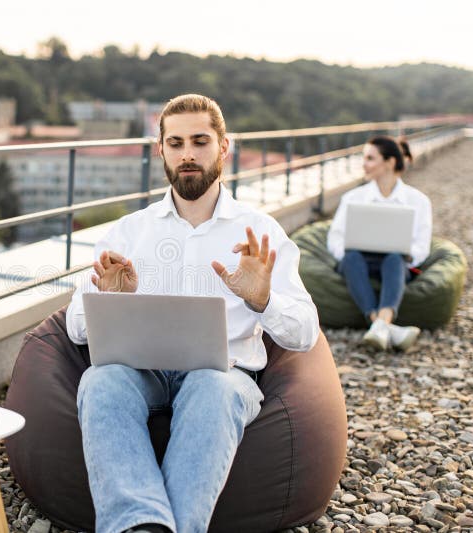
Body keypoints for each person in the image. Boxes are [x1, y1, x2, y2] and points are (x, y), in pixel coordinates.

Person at [65, 94, 319, 533]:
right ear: (159, 149)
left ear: (223, 148)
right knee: (99, 381)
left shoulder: (260, 232)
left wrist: (262, 300)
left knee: (211, 387)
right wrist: (108, 300)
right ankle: (141, 523)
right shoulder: (130, 230)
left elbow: (306, 334)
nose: (187, 154)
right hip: (143, 371)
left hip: (224, 373)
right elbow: (74, 327)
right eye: (176, 142)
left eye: (200, 141)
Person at [327, 136, 432, 350]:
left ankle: (378, 324)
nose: (363, 164)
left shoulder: (418, 201)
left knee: (395, 258)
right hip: (358, 262)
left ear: (390, 162)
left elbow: (422, 245)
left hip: (397, 265)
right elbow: (335, 238)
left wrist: (408, 254)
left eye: (370, 158)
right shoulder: (353, 198)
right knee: (351, 257)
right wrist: (345, 250)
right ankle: (386, 327)